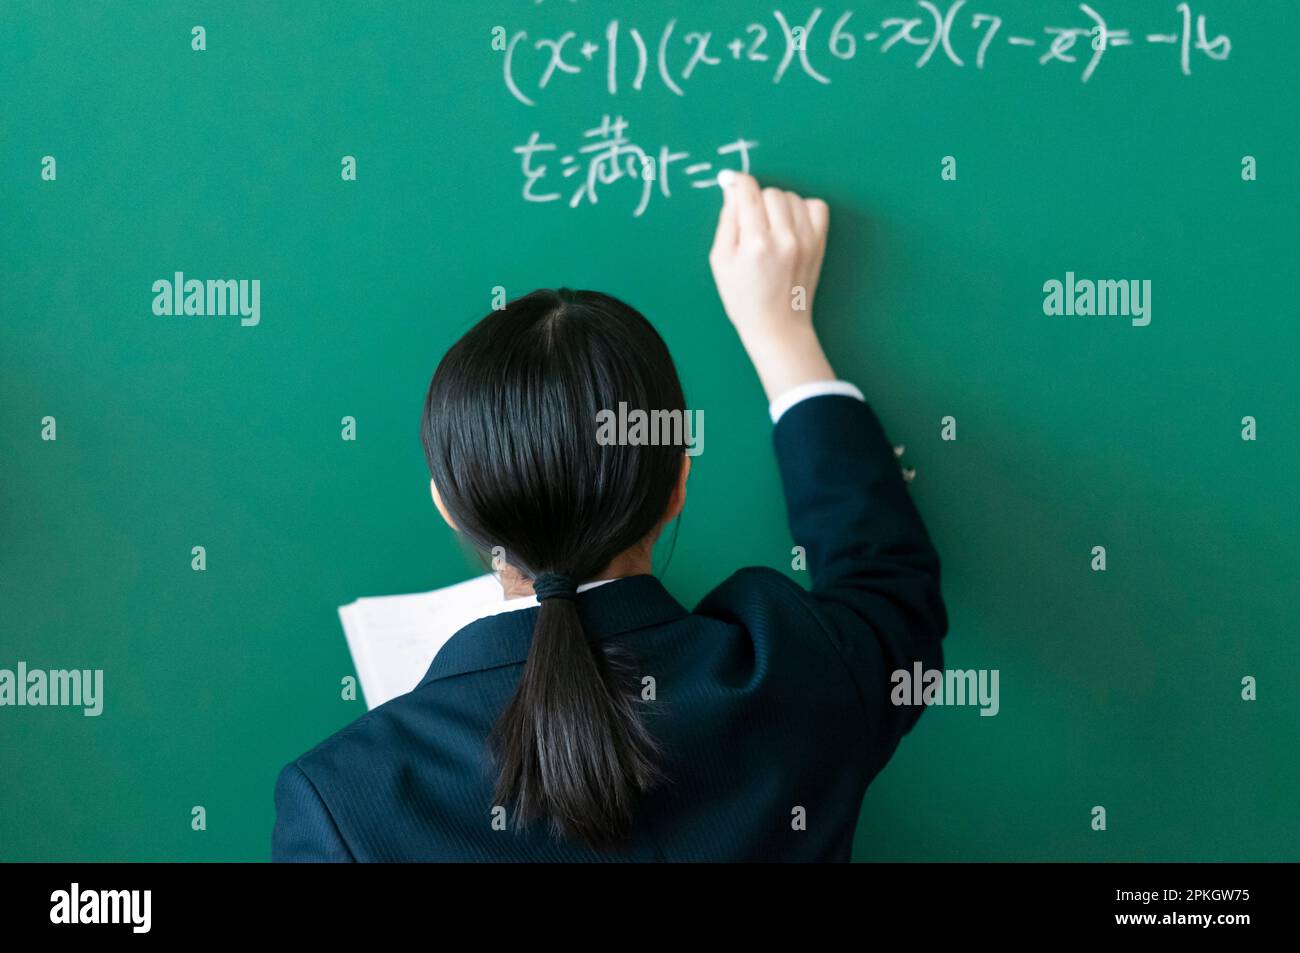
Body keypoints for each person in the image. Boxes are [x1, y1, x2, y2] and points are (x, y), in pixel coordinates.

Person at [272, 171, 948, 861]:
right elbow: (889, 582)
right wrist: (782, 333)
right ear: (679, 481)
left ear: (449, 507)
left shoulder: (344, 799)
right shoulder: (801, 674)